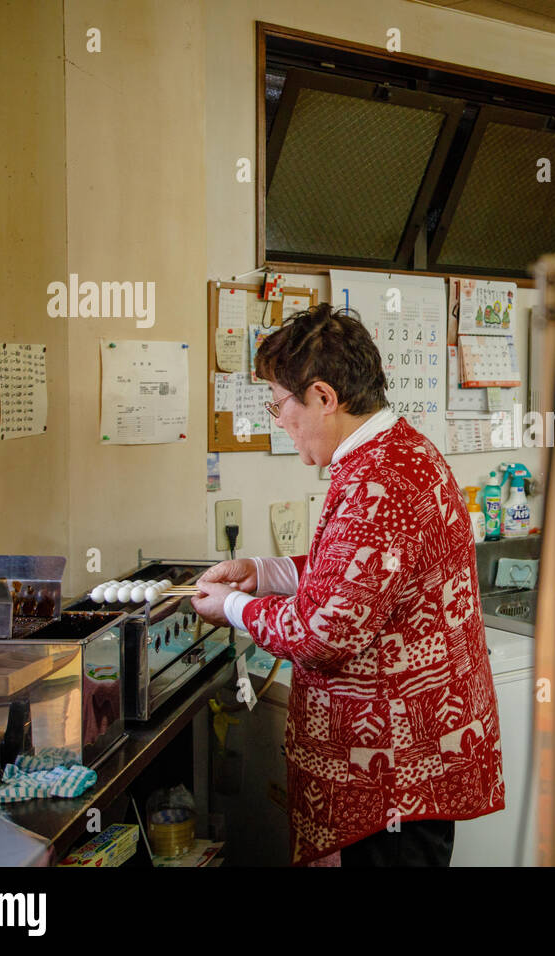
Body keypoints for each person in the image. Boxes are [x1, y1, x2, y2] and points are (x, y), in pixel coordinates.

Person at [192, 304, 505, 867]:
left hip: (393, 772)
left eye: (279, 404)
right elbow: (358, 572)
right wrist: (263, 573)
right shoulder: (396, 450)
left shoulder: (379, 479)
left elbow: (323, 631)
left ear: (322, 396)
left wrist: (234, 607)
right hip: (406, 764)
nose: (278, 421)